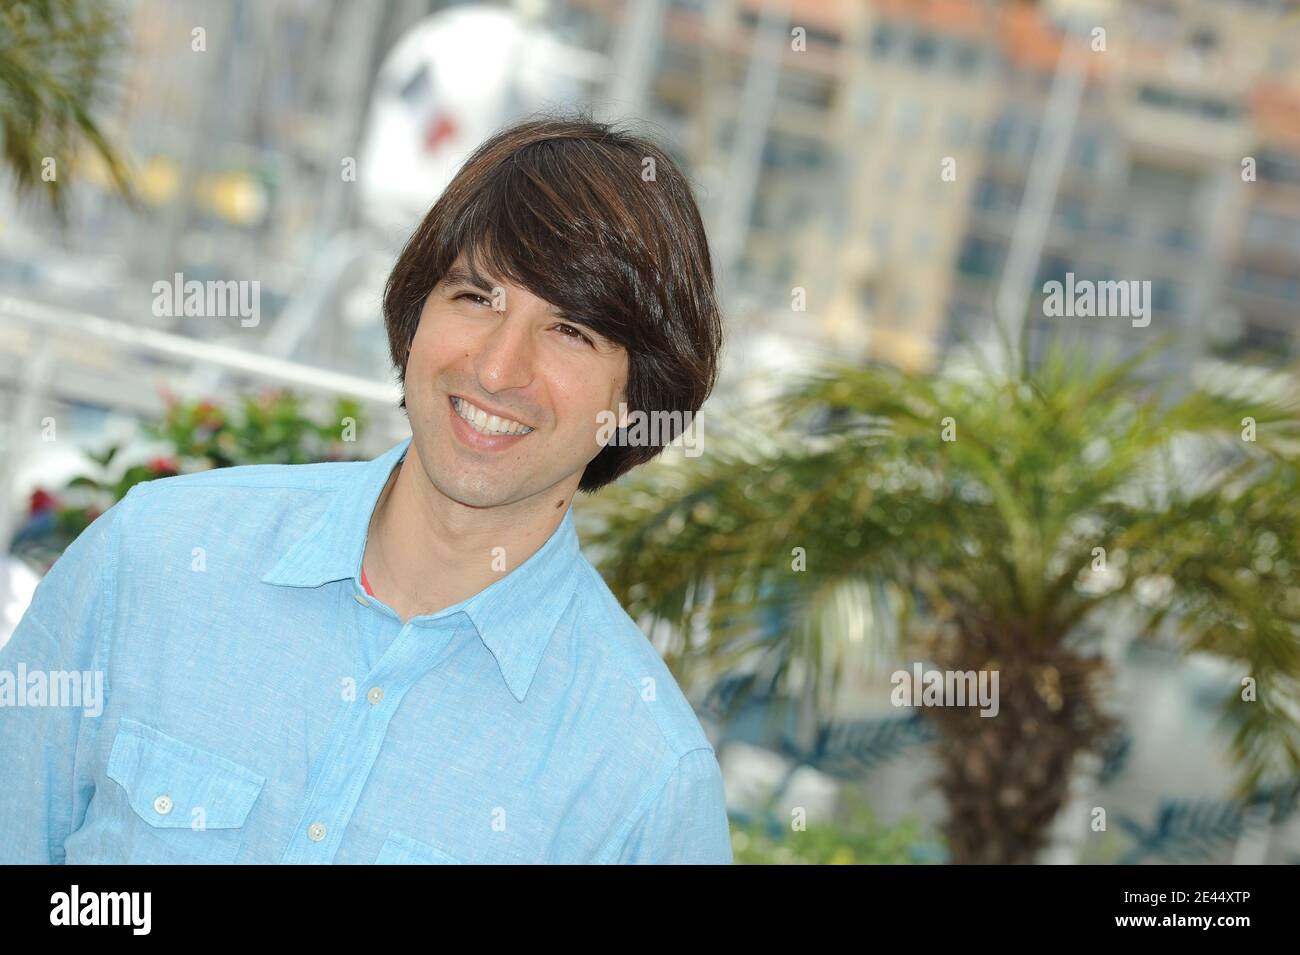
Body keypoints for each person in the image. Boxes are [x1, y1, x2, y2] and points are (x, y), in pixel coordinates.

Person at [0, 113, 731, 864]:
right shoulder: (151, 558)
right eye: (477, 298)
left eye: (571, 330)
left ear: (635, 400)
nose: (496, 369)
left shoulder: (647, 786)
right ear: (415, 316)